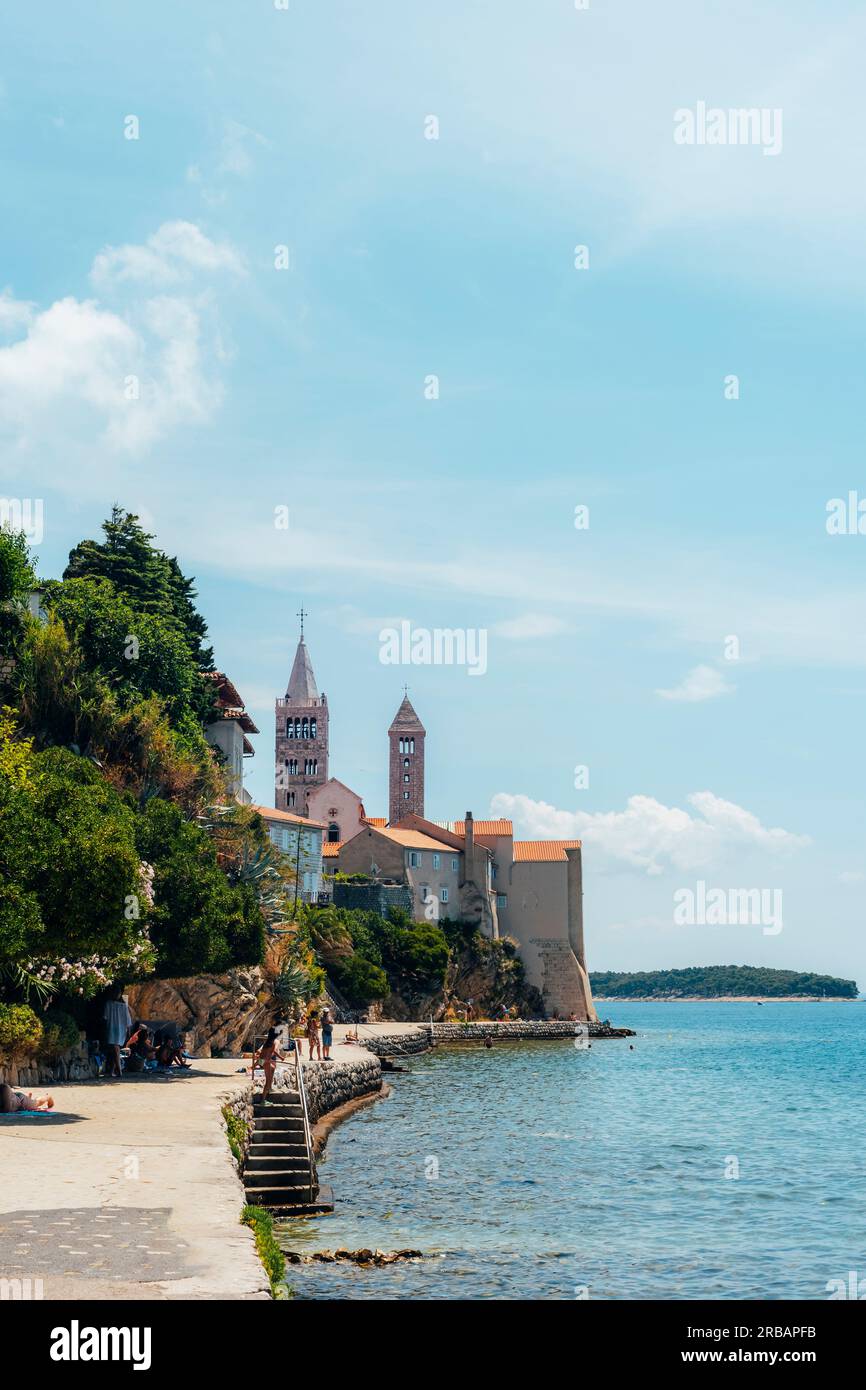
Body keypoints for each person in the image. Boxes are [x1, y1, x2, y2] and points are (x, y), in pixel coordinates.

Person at [103, 985, 133, 1079]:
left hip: (112, 1028)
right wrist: (128, 1031)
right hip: (120, 1030)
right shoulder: (123, 1006)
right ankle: (114, 1070)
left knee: (115, 1049)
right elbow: (128, 1021)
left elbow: (105, 1018)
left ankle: (118, 1070)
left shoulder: (109, 1004)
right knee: (115, 1049)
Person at [253, 1027, 287, 1105]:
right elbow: (274, 1051)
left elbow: (262, 1054)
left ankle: (268, 1091)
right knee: (268, 1081)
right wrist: (281, 1057)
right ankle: (263, 1100)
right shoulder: (275, 1041)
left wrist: (255, 1065)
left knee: (272, 1070)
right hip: (267, 1062)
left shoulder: (267, 1041)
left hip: (263, 1061)